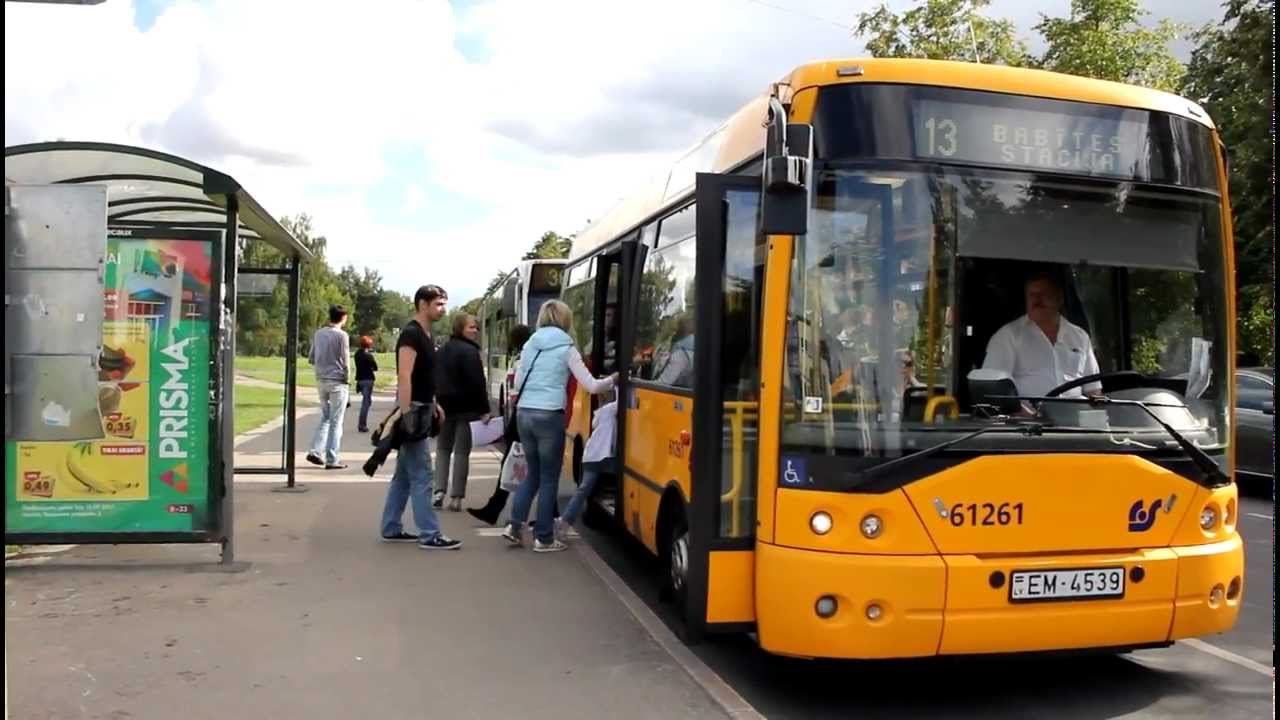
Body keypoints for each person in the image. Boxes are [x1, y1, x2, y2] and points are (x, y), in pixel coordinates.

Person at [502, 301, 616, 552]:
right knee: (549, 478)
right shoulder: (567, 347)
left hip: (524, 414)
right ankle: (543, 538)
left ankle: (514, 526)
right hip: (548, 415)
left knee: (532, 474)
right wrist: (615, 379)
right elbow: (591, 385)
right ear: (565, 320)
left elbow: (518, 382)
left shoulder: (531, 344)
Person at [378, 285, 462, 550]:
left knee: (404, 475)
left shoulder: (426, 333)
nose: (443, 309)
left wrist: (434, 403)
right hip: (412, 408)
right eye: (438, 304)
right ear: (422, 304)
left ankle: (391, 526)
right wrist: (406, 414)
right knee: (423, 474)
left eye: (444, 304)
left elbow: (425, 376)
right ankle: (430, 534)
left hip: (423, 407)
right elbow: (405, 376)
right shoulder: (411, 334)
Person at [982, 270, 1101, 398]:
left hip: (1074, 415)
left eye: (1043, 294)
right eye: (1032, 295)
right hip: (1027, 417)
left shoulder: (1080, 336)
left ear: (1059, 298)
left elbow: (1093, 389)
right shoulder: (1008, 336)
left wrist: (1097, 414)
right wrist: (1021, 410)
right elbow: (993, 388)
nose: (1037, 300)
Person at [467, 324, 532, 525]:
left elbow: (515, 391)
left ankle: (497, 509)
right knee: (530, 465)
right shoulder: (527, 355)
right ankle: (496, 508)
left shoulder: (521, 358)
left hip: (522, 414)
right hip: (530, 412)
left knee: (513, 461)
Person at [433, 313, 490, 512]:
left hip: (444, 406)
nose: (475, 331)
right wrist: (484, 410)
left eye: (476, 328)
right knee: (462, 452)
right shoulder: (470, 352)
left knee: (442, 449)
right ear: (461, 329)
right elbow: (478, 384)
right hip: (467, 408)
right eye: (471, 327)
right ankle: (456, 497)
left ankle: (438, 491)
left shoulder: (442, 351)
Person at [555, 392, 617, 541]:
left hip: (591, 455)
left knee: (583, 490)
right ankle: (564, 522)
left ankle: (564, 521)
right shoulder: (610, 410)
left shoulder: (600, 413)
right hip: (601, 457)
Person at [306, 305, 351, 470]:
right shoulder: (342, 336)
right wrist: (348, 379)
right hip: (337, 381)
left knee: (326, 417)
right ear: (343, 317)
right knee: (336, 421)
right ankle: (332, 458)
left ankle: (316, 450)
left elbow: (311, 357)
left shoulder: (318, 334)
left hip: (321, 379)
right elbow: (345, 360)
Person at [354, 336, 378, 432]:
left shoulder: (357, 355)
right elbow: (375, 367)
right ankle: (362, 424)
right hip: (368, 379)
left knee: (366, 401)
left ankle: (362, 423)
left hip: (360, 379)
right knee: (366, 402)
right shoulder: (368, 356)